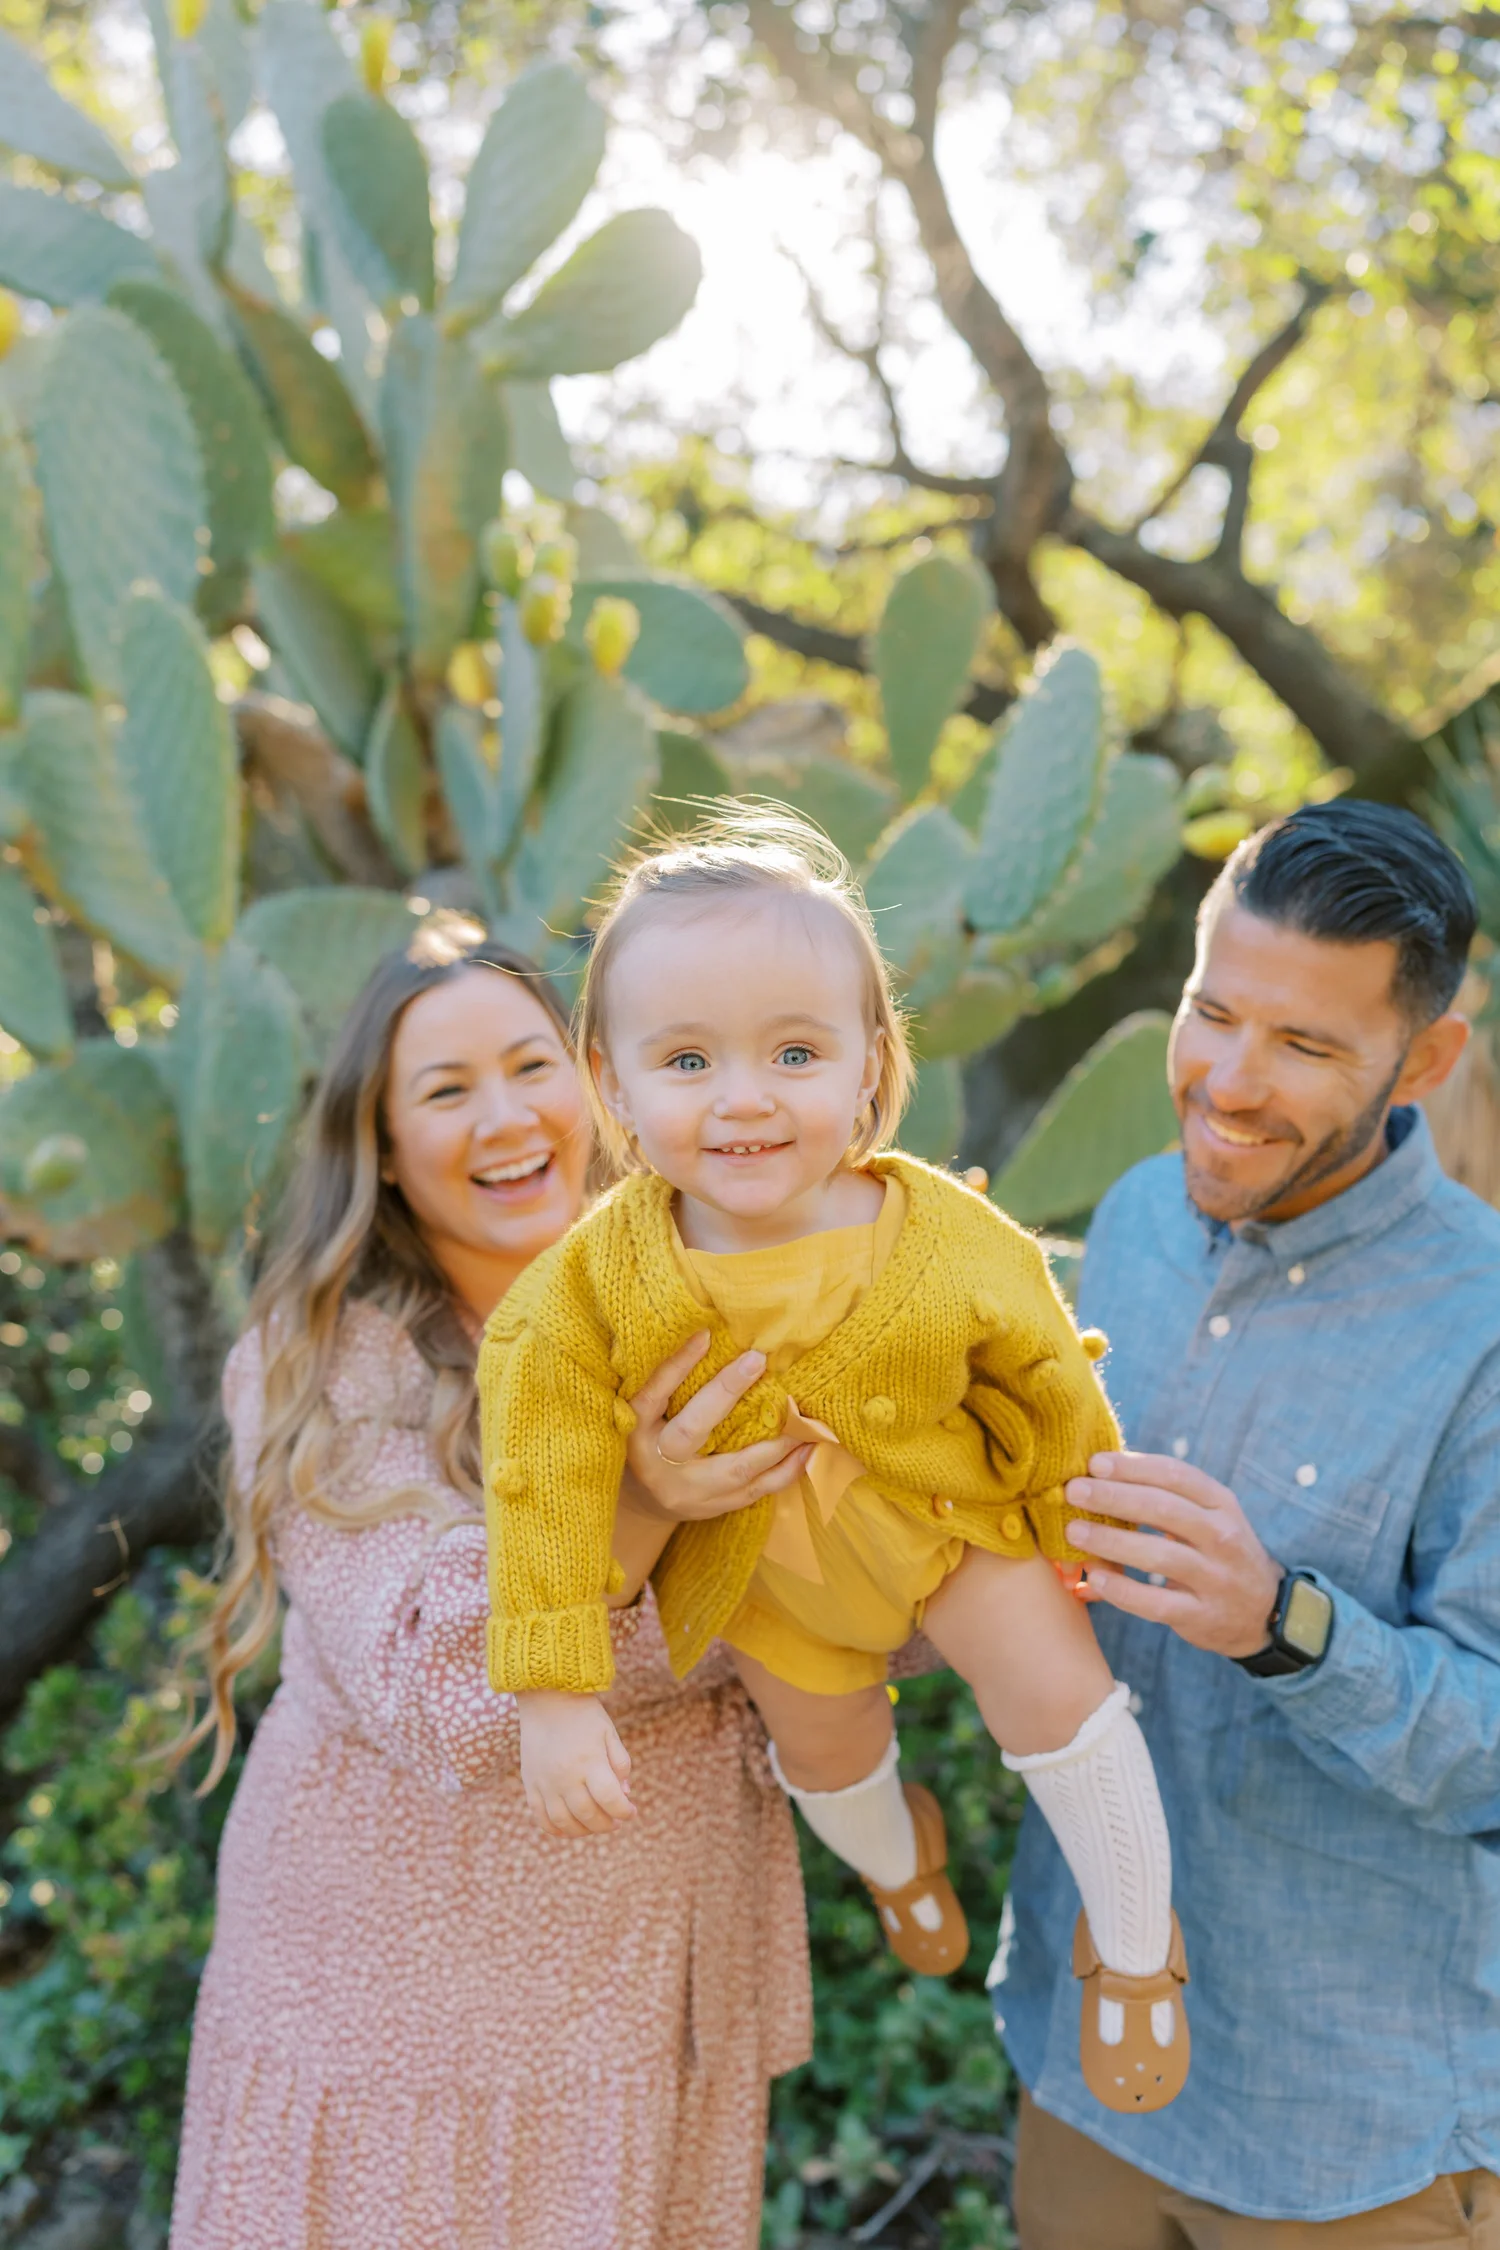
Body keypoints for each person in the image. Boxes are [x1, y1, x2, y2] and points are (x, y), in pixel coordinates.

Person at [479, 810, 1190, 2113]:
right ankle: (896, 1854)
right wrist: (553, 1689)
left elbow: (1041, 1365)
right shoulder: (587, 1285)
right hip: (764, 1573)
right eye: (687, 1058)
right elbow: (543, 1469)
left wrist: (1073, 1512)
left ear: (871, 1063)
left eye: (794, 1051)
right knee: (825, 1750)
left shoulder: (938, 1227)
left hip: (947, 1517)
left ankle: (1137, 1941)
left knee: (1063, 1694)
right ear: (610, 1081)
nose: (744, 1097)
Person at [169, 919, 821, 2250]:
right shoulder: (326, 1369)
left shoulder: (714, 1289)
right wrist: (653, 1506)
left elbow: (857, 1610)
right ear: (387, 1152)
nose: (507, 1116)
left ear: (598, 1084)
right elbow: (461, 1702)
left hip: (648, 2017)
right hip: (397, 2045)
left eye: (532, 1064)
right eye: (447, 1089)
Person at [996, 801, 1500, 2246]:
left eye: (1305, 1045)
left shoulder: (1486, 1331)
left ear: (1425, 1061)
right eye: (1214, 1012)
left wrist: (1282, 1623)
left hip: (1356, 2143)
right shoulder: (1140, 1217)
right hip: (1083, 2066)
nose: (1227, 1080)